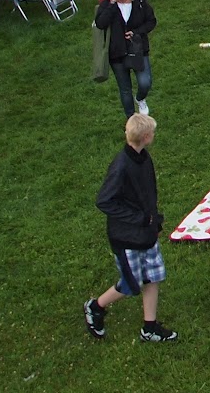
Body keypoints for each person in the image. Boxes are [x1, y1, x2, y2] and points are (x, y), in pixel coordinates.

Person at [85, 113, 177, 343]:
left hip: (146, 232)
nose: (154, 135)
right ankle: (96, 307)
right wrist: (139, 218)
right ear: (146, 137)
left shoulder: (143, 158)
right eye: (153, 133)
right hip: (126, 237)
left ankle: (150, 327)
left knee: (153, 276)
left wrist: (153, 220)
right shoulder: (121, 166)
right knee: (131, 283)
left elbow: (147, 192)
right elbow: (104, 201)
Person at [93, 0, 154, 118]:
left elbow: (151, 21)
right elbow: (100, 24)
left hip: (137, 49)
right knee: (125, 89)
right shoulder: (108, 4)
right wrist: (112, 5)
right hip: (117, 52)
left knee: (145, 82)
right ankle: (131, 120)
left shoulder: (140, 2)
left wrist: (136, 32)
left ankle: (140, 98)